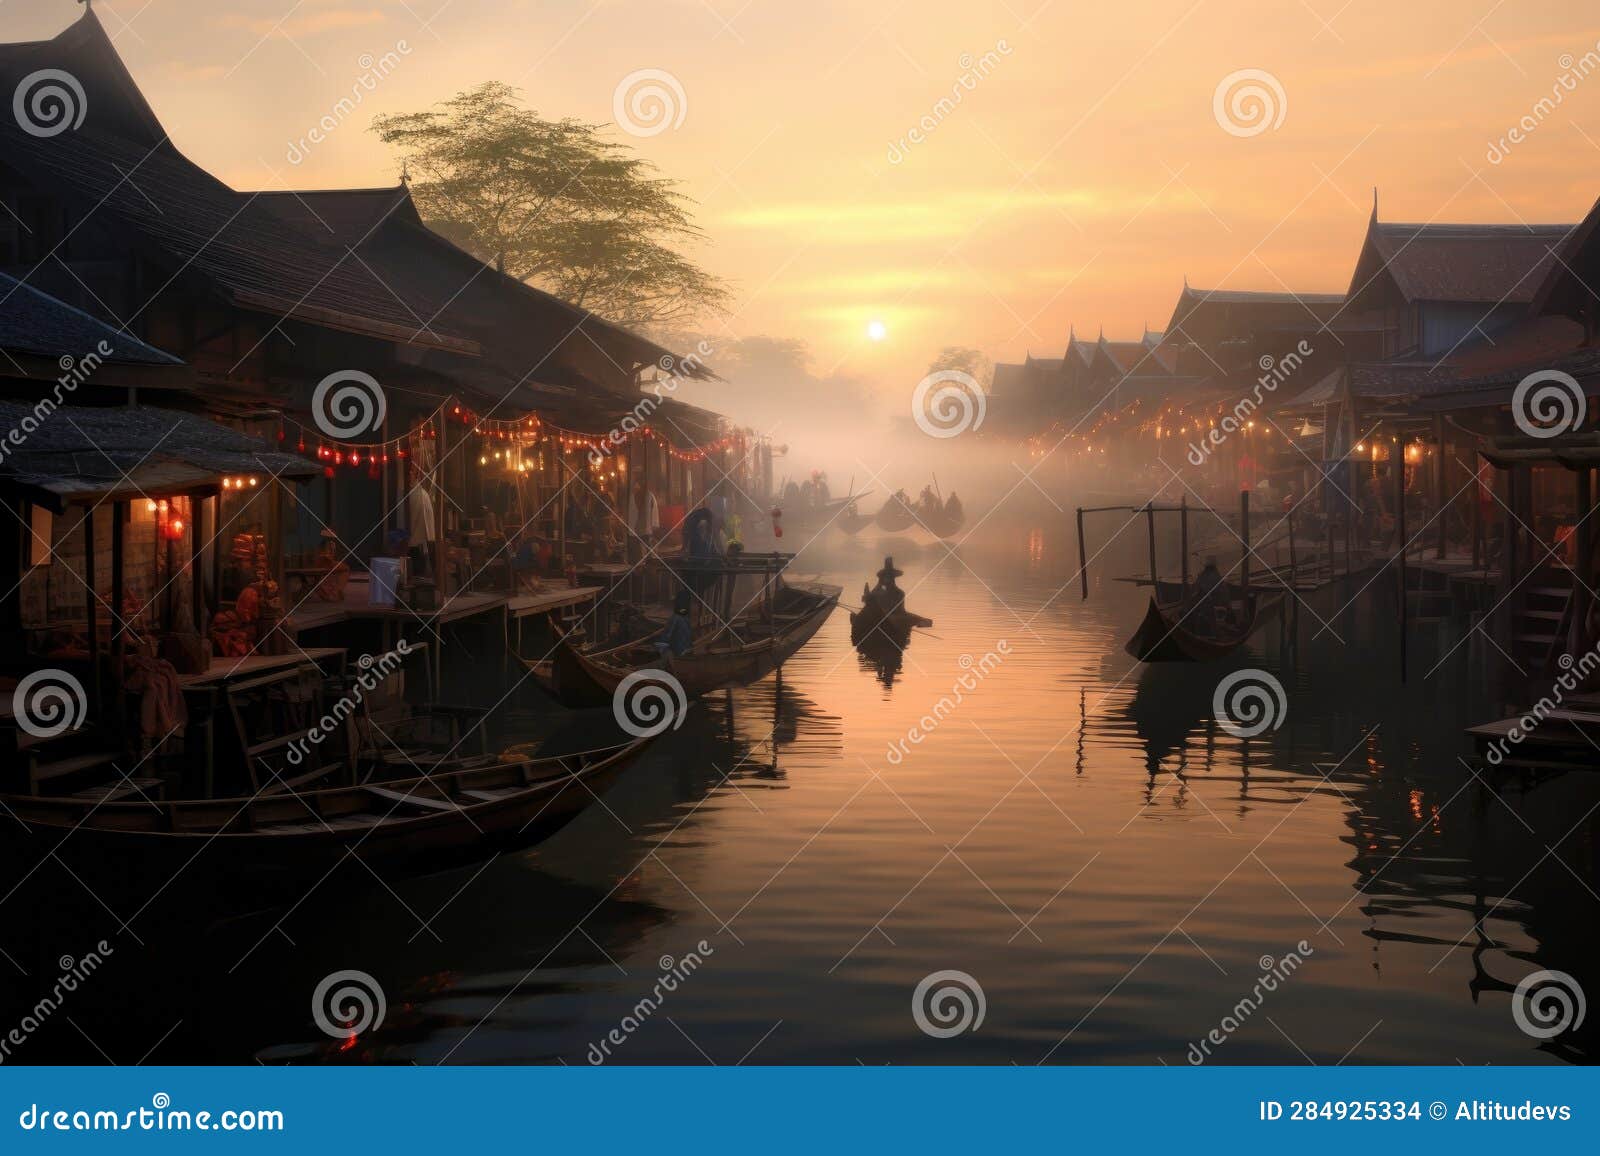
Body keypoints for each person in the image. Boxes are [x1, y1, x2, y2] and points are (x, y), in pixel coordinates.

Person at [655, 593, 693, 662]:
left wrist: (660, 649)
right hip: (685, 650)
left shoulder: (676, 618)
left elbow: (667, 636)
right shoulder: (685, 618)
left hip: (679, 652)